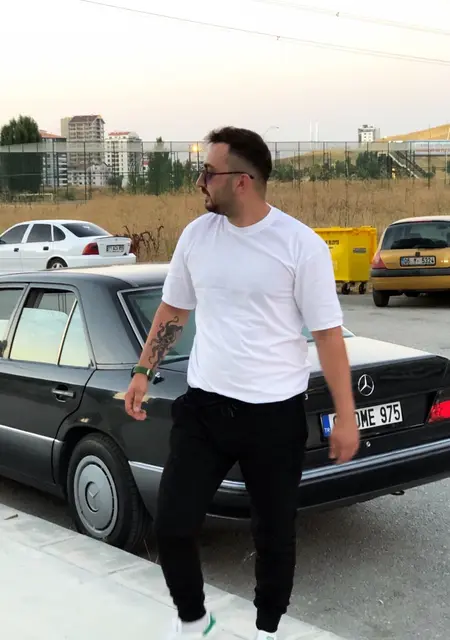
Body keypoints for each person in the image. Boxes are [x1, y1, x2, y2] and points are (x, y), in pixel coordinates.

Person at [125, 126, 360, 640]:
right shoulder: (197, 236)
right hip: (205, 408)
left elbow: (327, 336)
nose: (200, 181)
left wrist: (345, 415)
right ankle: (194, 620)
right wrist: (143, 371)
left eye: (209, 172)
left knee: (273, 534)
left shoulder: (300, 245)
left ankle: (267, 630)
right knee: (172, 523)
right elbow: (174, 309)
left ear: (243, 181)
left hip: (273, 415)